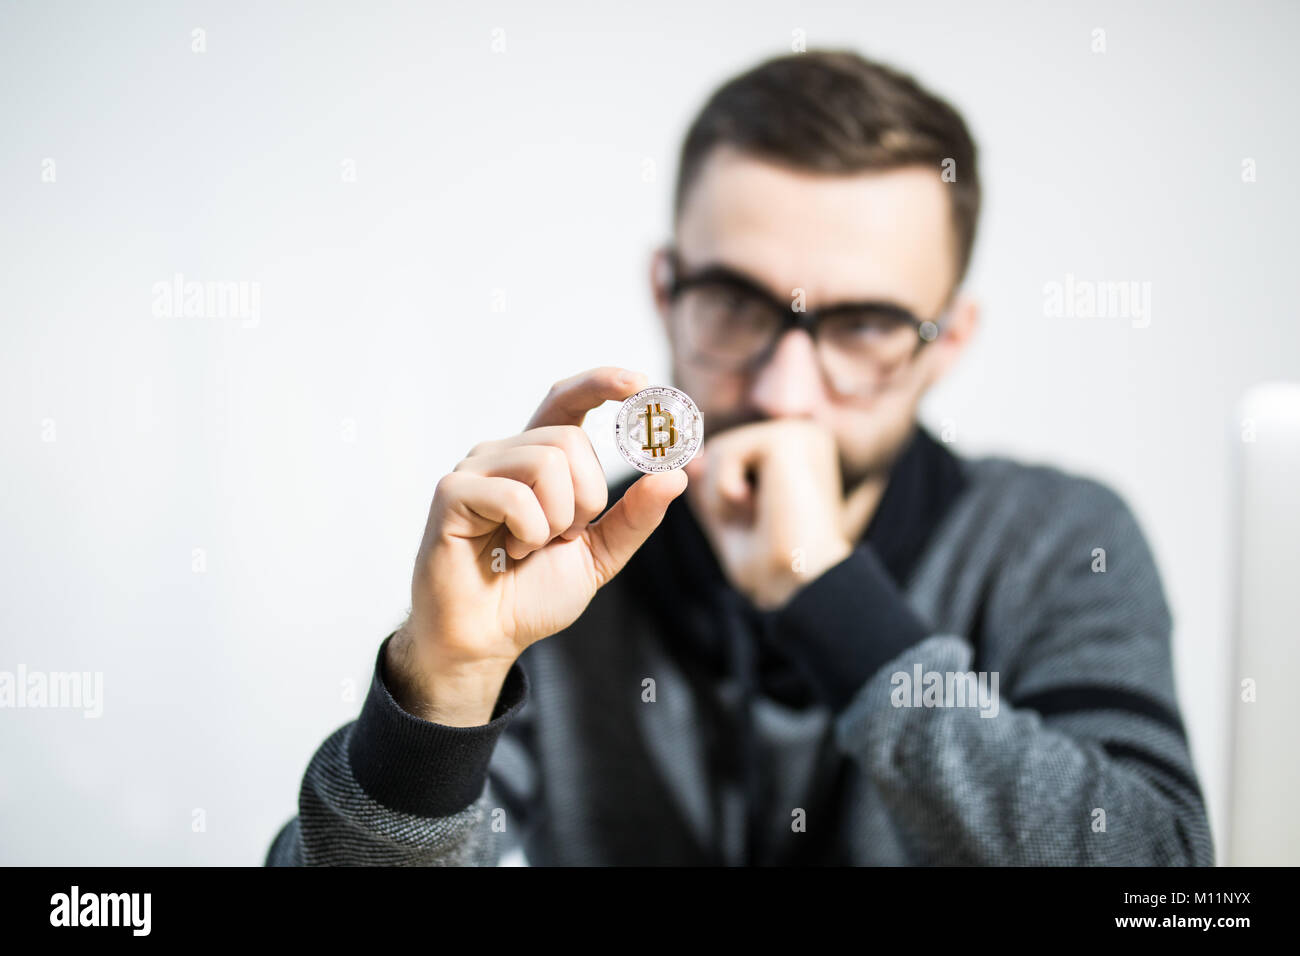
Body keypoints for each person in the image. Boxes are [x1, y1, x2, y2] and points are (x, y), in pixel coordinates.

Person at [266, 49, 1214, 866]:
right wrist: (444, 689)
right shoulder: (559, 557)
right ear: (666, 290)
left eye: (866, 324)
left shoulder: (1055, 543)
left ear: (946, 343)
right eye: (735, 303)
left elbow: (1167, 887)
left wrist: (830, 600)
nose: (783, 392)